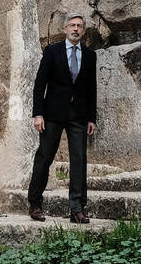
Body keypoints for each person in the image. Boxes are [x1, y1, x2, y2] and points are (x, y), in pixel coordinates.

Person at [27, 13, 97, 223]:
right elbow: (40, 84)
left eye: (80, 26)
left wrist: (91, 117)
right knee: (44, 157)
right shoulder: (52, 51)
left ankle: (77, 208)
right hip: (52, 114)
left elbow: (91, 88)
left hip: (79, 116)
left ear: (83, 31)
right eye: (72, 25)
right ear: (65, 29)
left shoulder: (89, 55)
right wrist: (38, 113)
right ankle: (35, 204)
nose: (76, 29)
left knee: (79, 160)